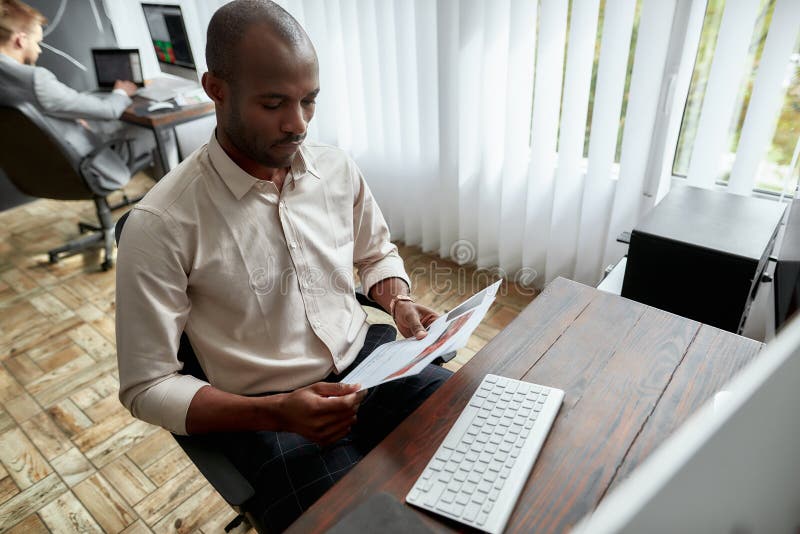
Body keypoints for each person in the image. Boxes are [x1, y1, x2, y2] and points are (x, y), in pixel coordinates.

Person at [115, 0, 451, 530]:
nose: (297, 124)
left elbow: (374, 253)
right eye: (274, 103)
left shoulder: (336, 169)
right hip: (266, 411)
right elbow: (145, 386)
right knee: (366, 522)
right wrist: (275, 411)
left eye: (309, 101)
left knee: (482, 433)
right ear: (216, 89)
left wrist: (397, 299)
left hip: (367, 362)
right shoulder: (161, 224)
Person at [0, 0, 154, 172]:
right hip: (84, 166)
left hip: (39, 166)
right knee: (153, 130)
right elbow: (109, 110)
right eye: (37, 43)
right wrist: (121, 92)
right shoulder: (35, 79)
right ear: (20, 41)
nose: (39, 50)